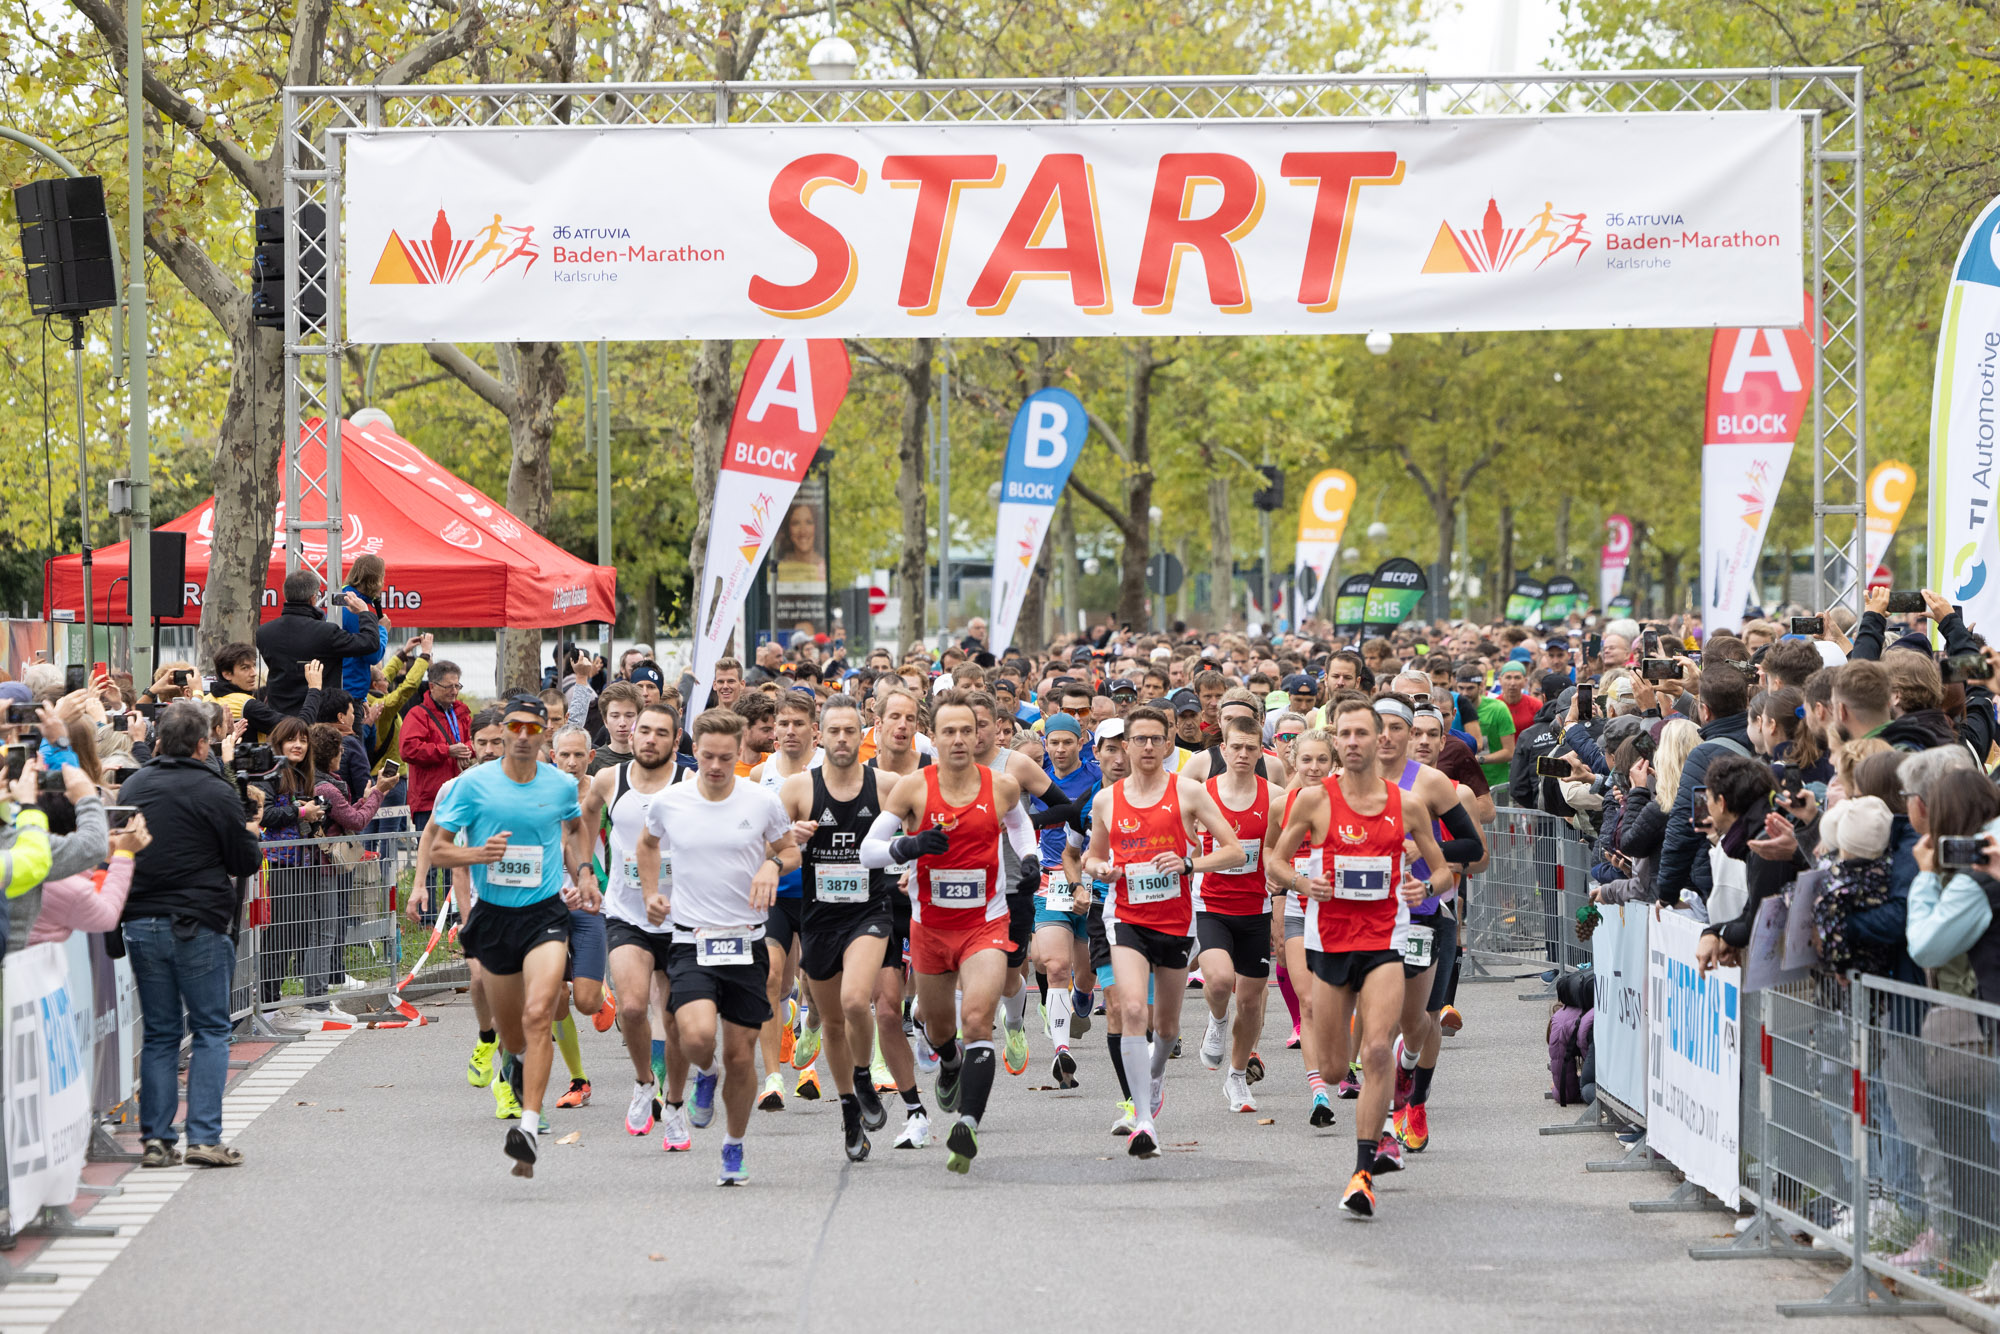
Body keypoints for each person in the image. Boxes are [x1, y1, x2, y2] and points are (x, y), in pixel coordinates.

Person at [1272, 697, 1452, 1218]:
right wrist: (1306, 882)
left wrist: (1425, 889)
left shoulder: (1407, 805)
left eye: (1360, 734)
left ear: (1379, 741)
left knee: (1375, 1051)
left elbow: (1443, 872)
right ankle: (1370, 1120)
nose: (1352, 742)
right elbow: (1277, 862)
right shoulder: (1312, 801)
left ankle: (1363, 1171)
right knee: (1332, 1069)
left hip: (1384, 943)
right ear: (1335, 742)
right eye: (1343, 734)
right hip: (1329, 944)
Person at [861, 689, 1038, 1174]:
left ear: (980, 733)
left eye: (968, 730)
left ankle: (968, 1125)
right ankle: (950, 1061)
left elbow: (1020, 827)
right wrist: (909, 845)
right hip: (930, 928)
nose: (960, 739)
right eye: (949, 731)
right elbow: (868, 852)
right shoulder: (913, 788)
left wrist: (1029, 858)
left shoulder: (1000, 785)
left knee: (979, 1018)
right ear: (932, 737)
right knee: (938, 1026)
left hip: (985, 923)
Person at [428, 694, 596, 1179]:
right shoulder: (472, 786)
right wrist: (476, 855)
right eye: (514, 727)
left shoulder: (561, 785)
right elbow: (438, 850)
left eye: (533, 728)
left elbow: (575, 828)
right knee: (513, 1032)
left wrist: (584, 871)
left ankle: (526, 1123)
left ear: (545, 732)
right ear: (503, 731)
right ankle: (516, 1064)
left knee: (540, 1011)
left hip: (545, 914)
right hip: (494, 917)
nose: (523, 735)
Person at [635, 708, 798, 1186]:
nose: (716, 766)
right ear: (695, 750)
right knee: (698, 1036)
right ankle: (702, 1074)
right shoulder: (671, 801)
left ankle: (733, 1146)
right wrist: (651, 893)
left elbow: (790, 849)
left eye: (726, 757)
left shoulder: (760, 801)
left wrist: (773, 865)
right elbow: (647, 845)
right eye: (707, 756)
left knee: (742, 1058)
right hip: (690, 939)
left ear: (739, 749)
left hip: (746, 942)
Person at [1081, 704, 1244, 1159]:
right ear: (1126, 746)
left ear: (1168, 743)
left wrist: (1190, 863)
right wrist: (1103, 870)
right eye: (1139, 739)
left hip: (1175, 921)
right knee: (1133, 1009)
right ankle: (1144, 1120)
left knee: (1167, 1028)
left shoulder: (1188, 792)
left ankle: (1152, 1080)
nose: (1148, 746)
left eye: (1156, 739)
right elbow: (1091, 859)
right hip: (1125, 917)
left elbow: (1234, 852)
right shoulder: (1106, 800)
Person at [118, 699, 265, 1168]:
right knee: (209, 1031)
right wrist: (250, 828)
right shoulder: (215, 790)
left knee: (160, 1034)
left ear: (158, 740)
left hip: (141, 920)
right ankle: (203, 1136)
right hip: (199, 922)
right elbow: (244, 861)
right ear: (203, 744)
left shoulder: (136, 784)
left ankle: (157, 1140)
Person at [781, 695, 898, 1161]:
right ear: (819, 736)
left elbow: (920, 830)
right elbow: (766, 847)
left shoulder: (886, 786)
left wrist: (907, 860)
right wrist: (789, 840)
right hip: (819, 917)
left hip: (870, 909)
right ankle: (849, 1106)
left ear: (862, 735)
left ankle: (865, 1074)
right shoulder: (796, 790)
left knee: (855, 1000)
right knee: (830, 1020)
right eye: (834, 732)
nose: (843, 739)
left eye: (851, 731)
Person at [582, 700, 694, 1150]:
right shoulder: (611, 778)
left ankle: (675, 1105)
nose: (648, 738)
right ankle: (644, 1081)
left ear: (675, 739)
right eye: (643, 730)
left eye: (660, 733)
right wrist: (586, 870)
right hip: (627, 913)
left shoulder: (690, 783)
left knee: (677, 1021)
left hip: (683, 918)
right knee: (630, 1007)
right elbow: (585, 819)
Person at [1191, 714, 1277, 1113]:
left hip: (1256, 908)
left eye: (1251, 747)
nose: (1243, 754)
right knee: (1222, 980)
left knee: (1252, 1001)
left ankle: (1238, 1077)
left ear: (1261, 751)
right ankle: (1216, 1019)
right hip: (1210, 904)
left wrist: (1281, 876)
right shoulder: (1201, 793)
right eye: (1235, 747)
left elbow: (1283, 848)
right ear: (1222, 750)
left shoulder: (1274, 796)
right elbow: (1184, 841)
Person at [254, 569, 384, 719]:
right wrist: (364, 613)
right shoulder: (326, 633)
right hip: (320, 717)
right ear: (313, 598)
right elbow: (370, 643)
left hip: (280, 718)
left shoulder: (264, 633)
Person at [401, 661, 473, 921]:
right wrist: (447, 751)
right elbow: (409, 749)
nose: (454, 691)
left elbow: (473, 741)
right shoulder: (417, 715)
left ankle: (453, 912)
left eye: (458, 685)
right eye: (449, 686)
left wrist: (466, 751)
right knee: (430, 859)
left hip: (458, 794)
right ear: (432, 686)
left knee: (454, 857)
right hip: (429, 797)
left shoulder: (461, 712)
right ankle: (427, 916)